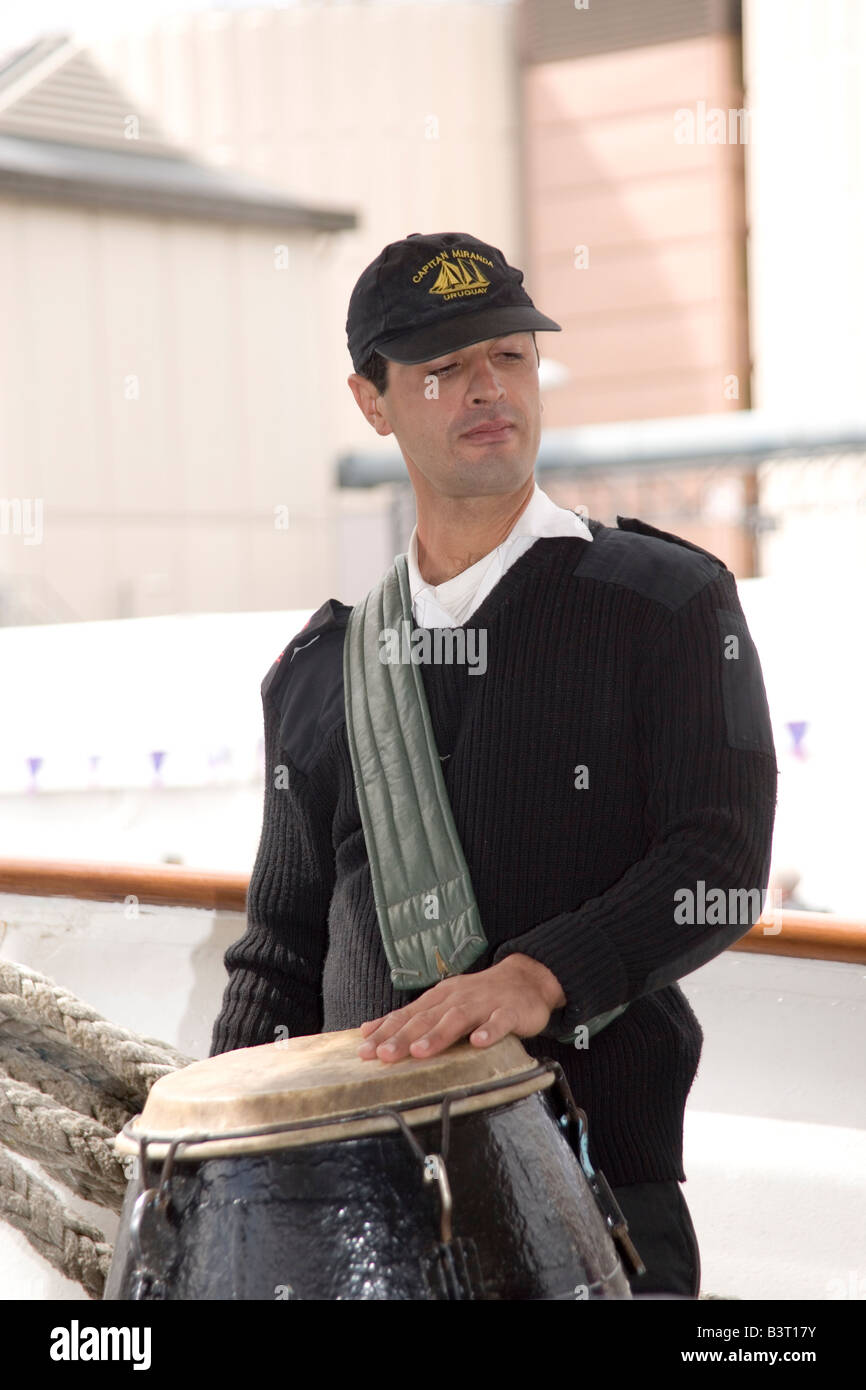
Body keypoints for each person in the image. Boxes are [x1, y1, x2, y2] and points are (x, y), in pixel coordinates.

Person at [210, 231, 778, 1298]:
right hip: (358, 1216)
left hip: (599, 1198)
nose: (485, 388)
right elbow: (280, 951)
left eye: (507, 357)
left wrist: (538, 976)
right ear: (371, 401)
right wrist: (206, 1161)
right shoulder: (317, 669)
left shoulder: (666, 604)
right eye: (440, 367)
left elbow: (720, 857)